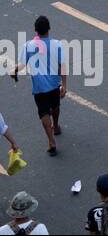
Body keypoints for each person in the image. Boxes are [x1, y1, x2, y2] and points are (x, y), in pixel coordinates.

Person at [11, 15, 66, 156]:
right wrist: (64, 85)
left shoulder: (29, 46)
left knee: (43, 113)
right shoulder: (57, 44)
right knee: (55, 106)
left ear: (36, 31)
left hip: (39, 87)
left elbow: (22, 65)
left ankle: (51, 141)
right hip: (54, 84)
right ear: (49, 29)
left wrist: (14, 70)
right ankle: (57, 126)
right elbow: (62, 67)